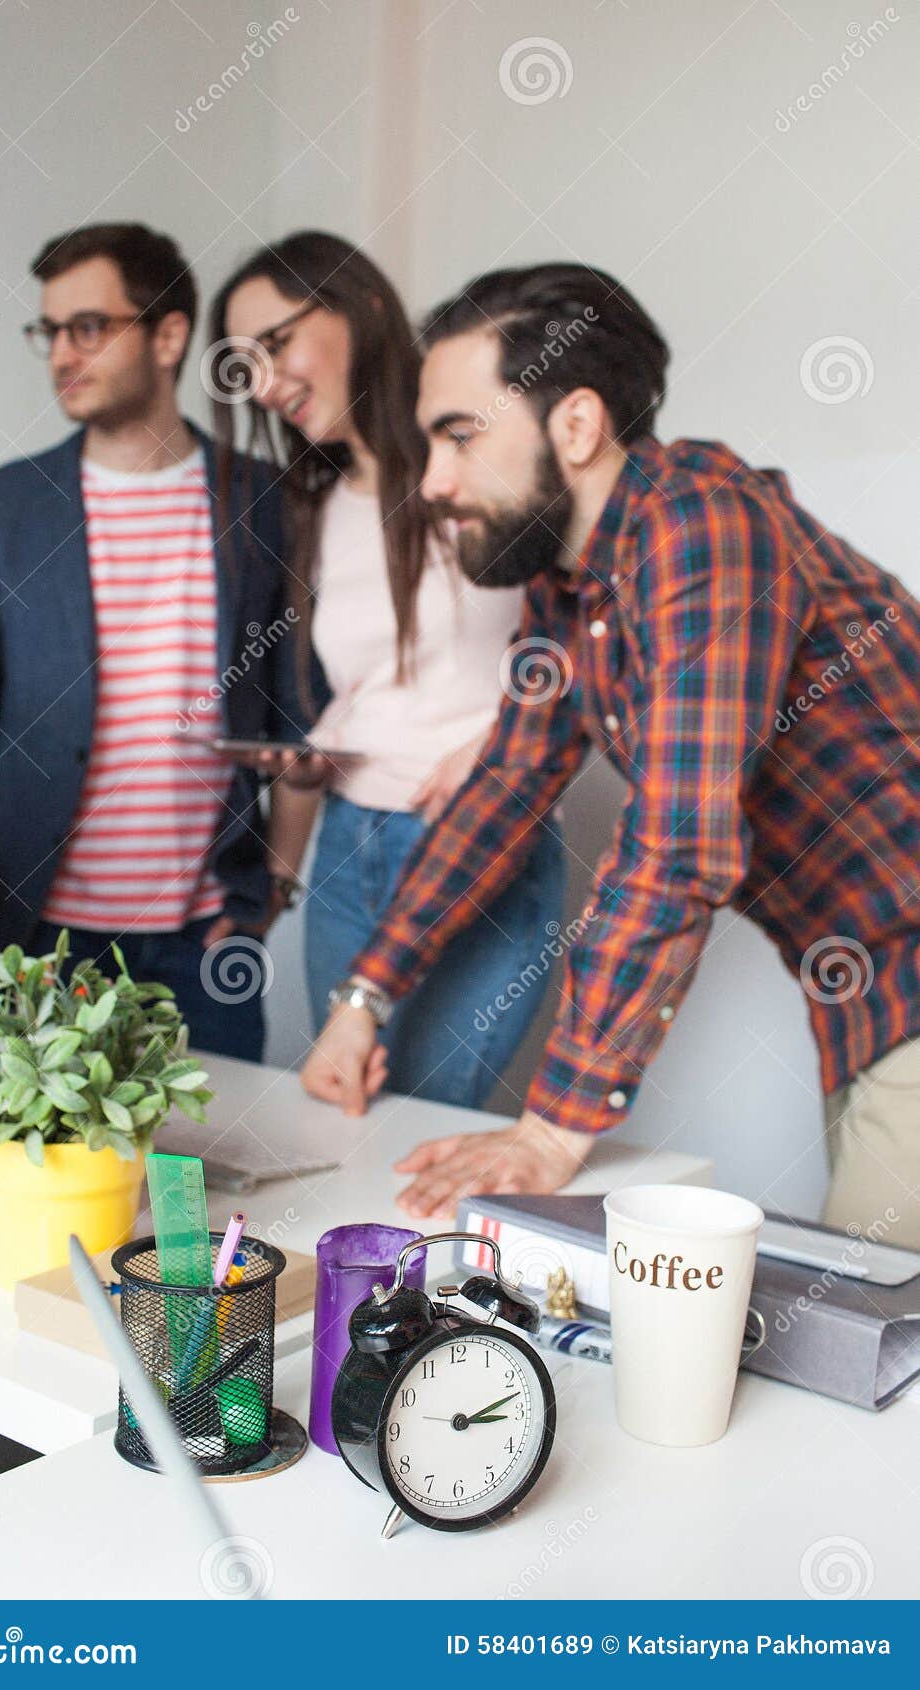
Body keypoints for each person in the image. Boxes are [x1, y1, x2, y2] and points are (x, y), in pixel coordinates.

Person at [301, 261, 920, 1250]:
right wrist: (364, 997)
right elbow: (504, 790)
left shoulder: (704, 527)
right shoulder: (568, 592)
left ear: (575, 426)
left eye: (458, 435)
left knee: (869, 1325)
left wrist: (552, 1126)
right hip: (864, 988)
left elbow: (678, 847)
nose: (433, 482)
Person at [0, 222, 309, 1060]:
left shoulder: (265, 503)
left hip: (209, 936)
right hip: (38, 933)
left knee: (195, 1177)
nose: (60, 355)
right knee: (41, 1175)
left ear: (168, 335)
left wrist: (278, 885)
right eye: (50, 331)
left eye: (89, 327)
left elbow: (296, 714)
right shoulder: (4, 510)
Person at [208, 232, 566, 1106]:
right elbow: (356, 697)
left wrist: (499, 743)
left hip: (476, 839)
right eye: (242, 363)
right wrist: (295, 814)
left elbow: (594, 638)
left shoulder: (482, 466)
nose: (262, 383)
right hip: (345, 846)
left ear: (360, 308)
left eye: (277, 344)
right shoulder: (313, 506)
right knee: (349, 1119)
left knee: (427, 1125)